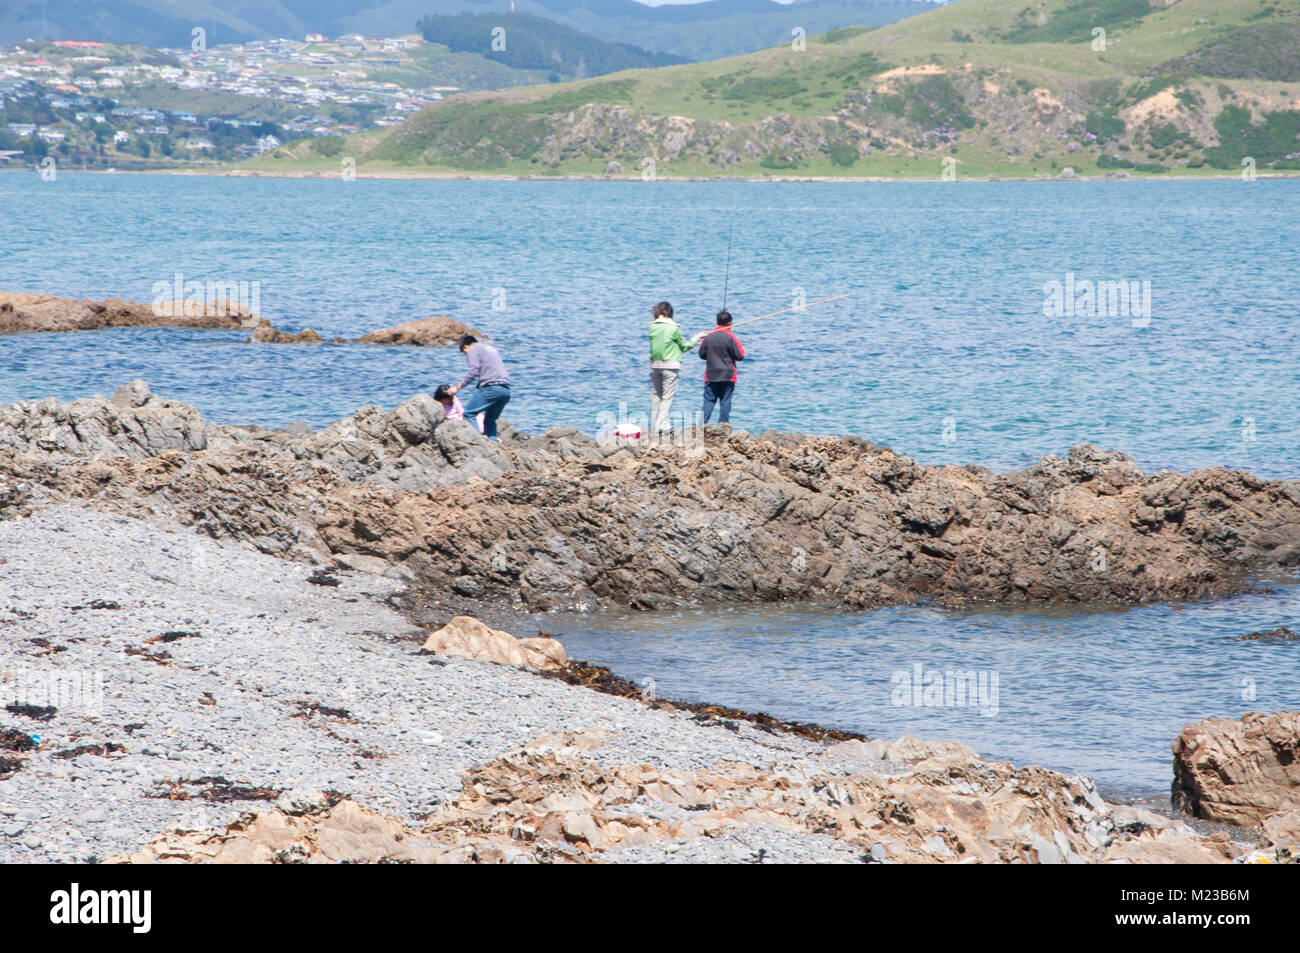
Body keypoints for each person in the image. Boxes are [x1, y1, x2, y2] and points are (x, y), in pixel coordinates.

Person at [448, 334, 511, 441]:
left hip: (492, 388)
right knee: (490, 420)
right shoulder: (491, 349)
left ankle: (478, 442)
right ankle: (492, 442)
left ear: (466, 346)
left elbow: (473, 371)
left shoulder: (473, 350)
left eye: (465, 353)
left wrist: (457, 387)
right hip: (505, 390)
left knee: (469, 413)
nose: (466, 355)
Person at [647, 301, 697, 435]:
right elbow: (684, 347)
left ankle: (655, 425)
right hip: (670, 366)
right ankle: (660, 426)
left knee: (656, 395)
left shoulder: (652, 327)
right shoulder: (674, 328)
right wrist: (696, 338)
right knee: (668, 397)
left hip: (654, 365)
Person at [697, 310, 745, 425]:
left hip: (711, 374)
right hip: (728, 374)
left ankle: (702, 425)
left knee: (709, 400)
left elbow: (701, 354)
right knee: (725, 400)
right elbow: (740, 355)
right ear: (730, 323)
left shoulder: (709, 337)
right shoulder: (731, 337)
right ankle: (723, 425)